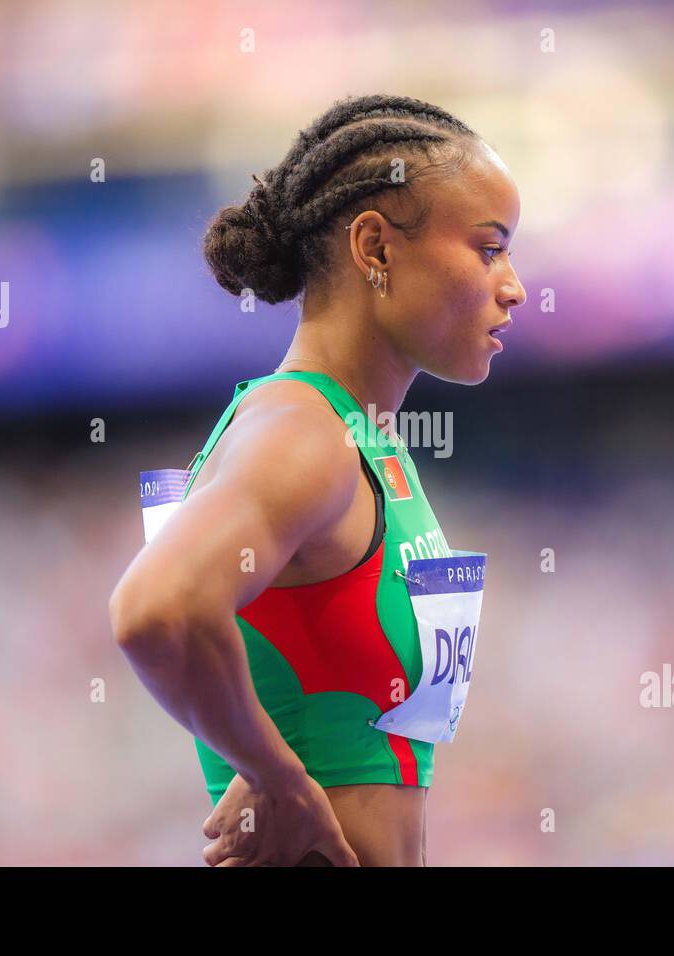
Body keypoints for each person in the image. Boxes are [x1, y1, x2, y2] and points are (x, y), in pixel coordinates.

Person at [109, 93, 525, 866]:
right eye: (489, 248)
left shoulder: (361, 438)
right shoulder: (305, 434)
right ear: (375, 247)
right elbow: (152, 609)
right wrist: (280, 780)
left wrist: (262, 755)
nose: (514, 287)